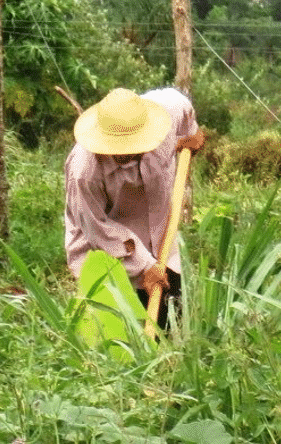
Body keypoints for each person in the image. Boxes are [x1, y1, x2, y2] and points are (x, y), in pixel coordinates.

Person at [64, 87, 204, 329]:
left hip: (161, 242)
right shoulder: (84, 172)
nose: (127, 152)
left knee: (169, 327)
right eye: (119, 148)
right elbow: (96, 228)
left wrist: (192, 136)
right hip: (105, 250)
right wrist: (145, 267)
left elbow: (185, 111)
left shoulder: (168, 109)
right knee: (116, 339)